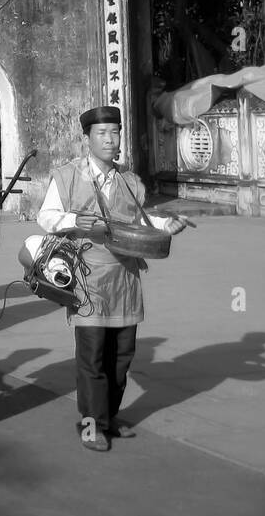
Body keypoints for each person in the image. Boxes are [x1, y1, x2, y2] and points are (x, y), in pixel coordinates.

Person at [36, 105, 188, 452]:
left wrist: (168, 224)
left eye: (115, 132)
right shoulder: (67, 176)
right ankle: (92, 424)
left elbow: (140, 222)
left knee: (121, 356)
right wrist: (75, 220)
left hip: (125, 278)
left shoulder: (130, 181)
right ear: (86, 138)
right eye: (102, 133)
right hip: (87, 278)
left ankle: (109, 417)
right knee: (92, 357)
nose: (110, 139)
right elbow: (46, 216)